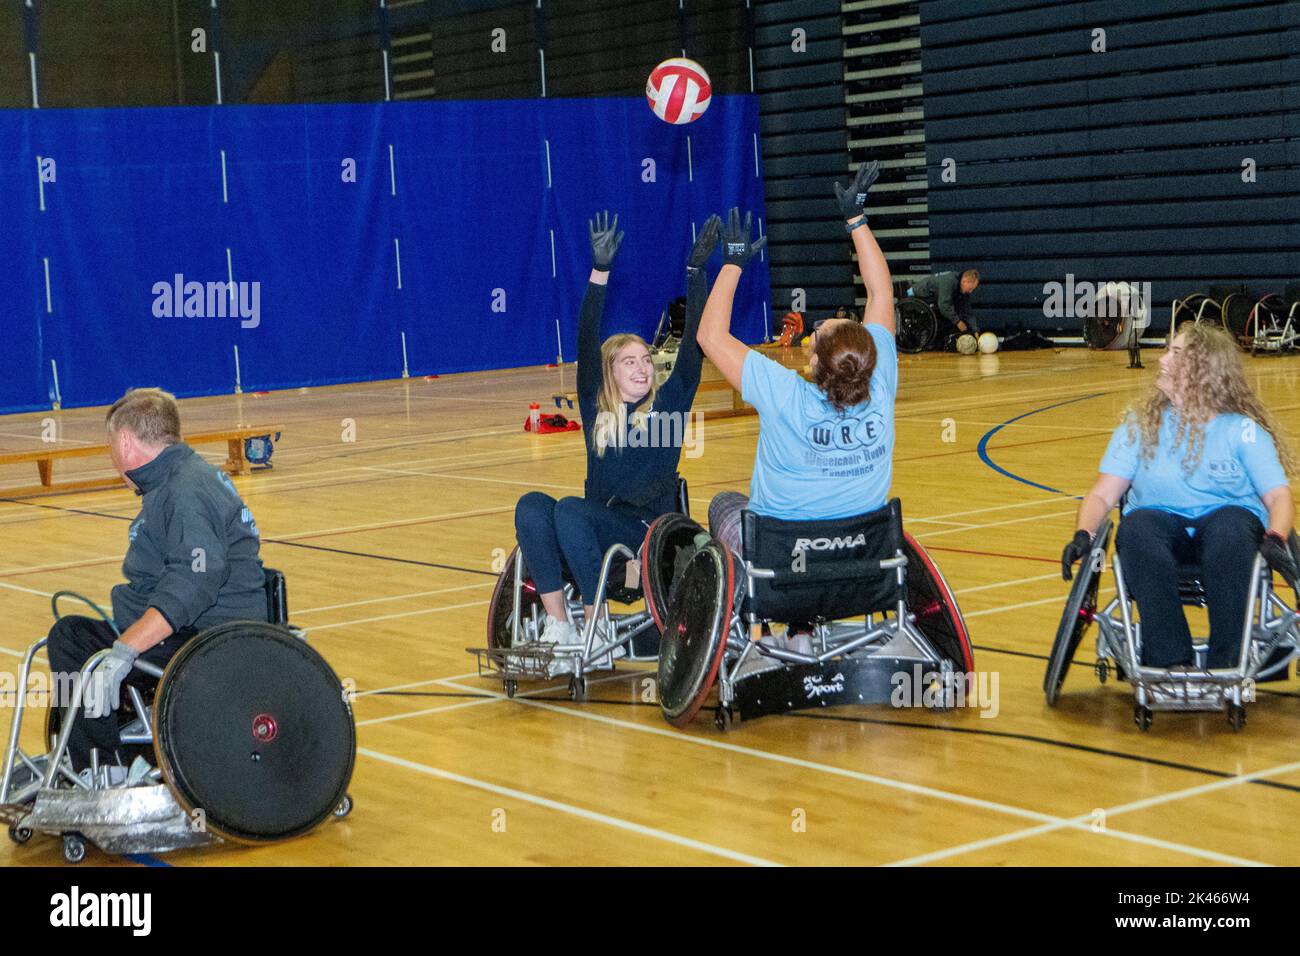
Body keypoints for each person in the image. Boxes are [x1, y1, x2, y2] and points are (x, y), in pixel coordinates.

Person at [694, 162, 898, 650]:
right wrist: (856, 220)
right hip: (859, 561)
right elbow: (882, 291)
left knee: (724, 505)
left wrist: (733, 263)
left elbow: (709, 335)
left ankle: (781, 627)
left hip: (786, 564)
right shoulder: (883, 381)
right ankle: (806, 627)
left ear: (811, 362)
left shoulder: (782, 391)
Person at [513, 211, 719, 647]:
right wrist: (599, 272)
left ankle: (596, 622)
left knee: (569, 510)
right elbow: (587, 340)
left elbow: (694, 346)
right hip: (594, 527)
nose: (644, 368)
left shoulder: (669, 404)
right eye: (631, 362)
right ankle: (560, 625)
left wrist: (695, 273)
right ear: (610, 372)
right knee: (531, 505)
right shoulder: (596, 406)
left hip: (646, 536)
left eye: (646, 360)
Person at [46, 388, 268, 779]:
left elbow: (196, 578)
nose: (111, 455)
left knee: (79, 646)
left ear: (126, 441)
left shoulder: (186, 490)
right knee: (71, 634)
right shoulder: (172, 482)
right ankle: (95, 756)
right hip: (188, 628)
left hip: (208, 637)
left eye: (111, 443)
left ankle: (104, 771)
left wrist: (125, 649)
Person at [1062, 322, 1298, 669]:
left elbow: (1278, 497)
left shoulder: (1242, 431)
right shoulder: (1139, 425)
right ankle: (1170, 658)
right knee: (1137, 527)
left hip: (1228, 533)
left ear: (1203, 367)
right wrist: (1084, 533)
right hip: (1160, 531)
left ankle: (1228, 662)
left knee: (1231, 527)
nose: (1162, 360)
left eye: (1175, 352)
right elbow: (1101, 495)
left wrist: (1276, 537)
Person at [909, 268, 979, 348]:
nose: (970, 292)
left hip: (934, 298)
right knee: (948, 313)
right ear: (964, 281)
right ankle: (926, 337)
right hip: (919, 296)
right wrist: (958, 322)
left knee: (956, 312)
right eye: (970, 289)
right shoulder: (949, 282)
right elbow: (944, 306)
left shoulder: (961, 287)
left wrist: (975, 330)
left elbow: (967, 311)